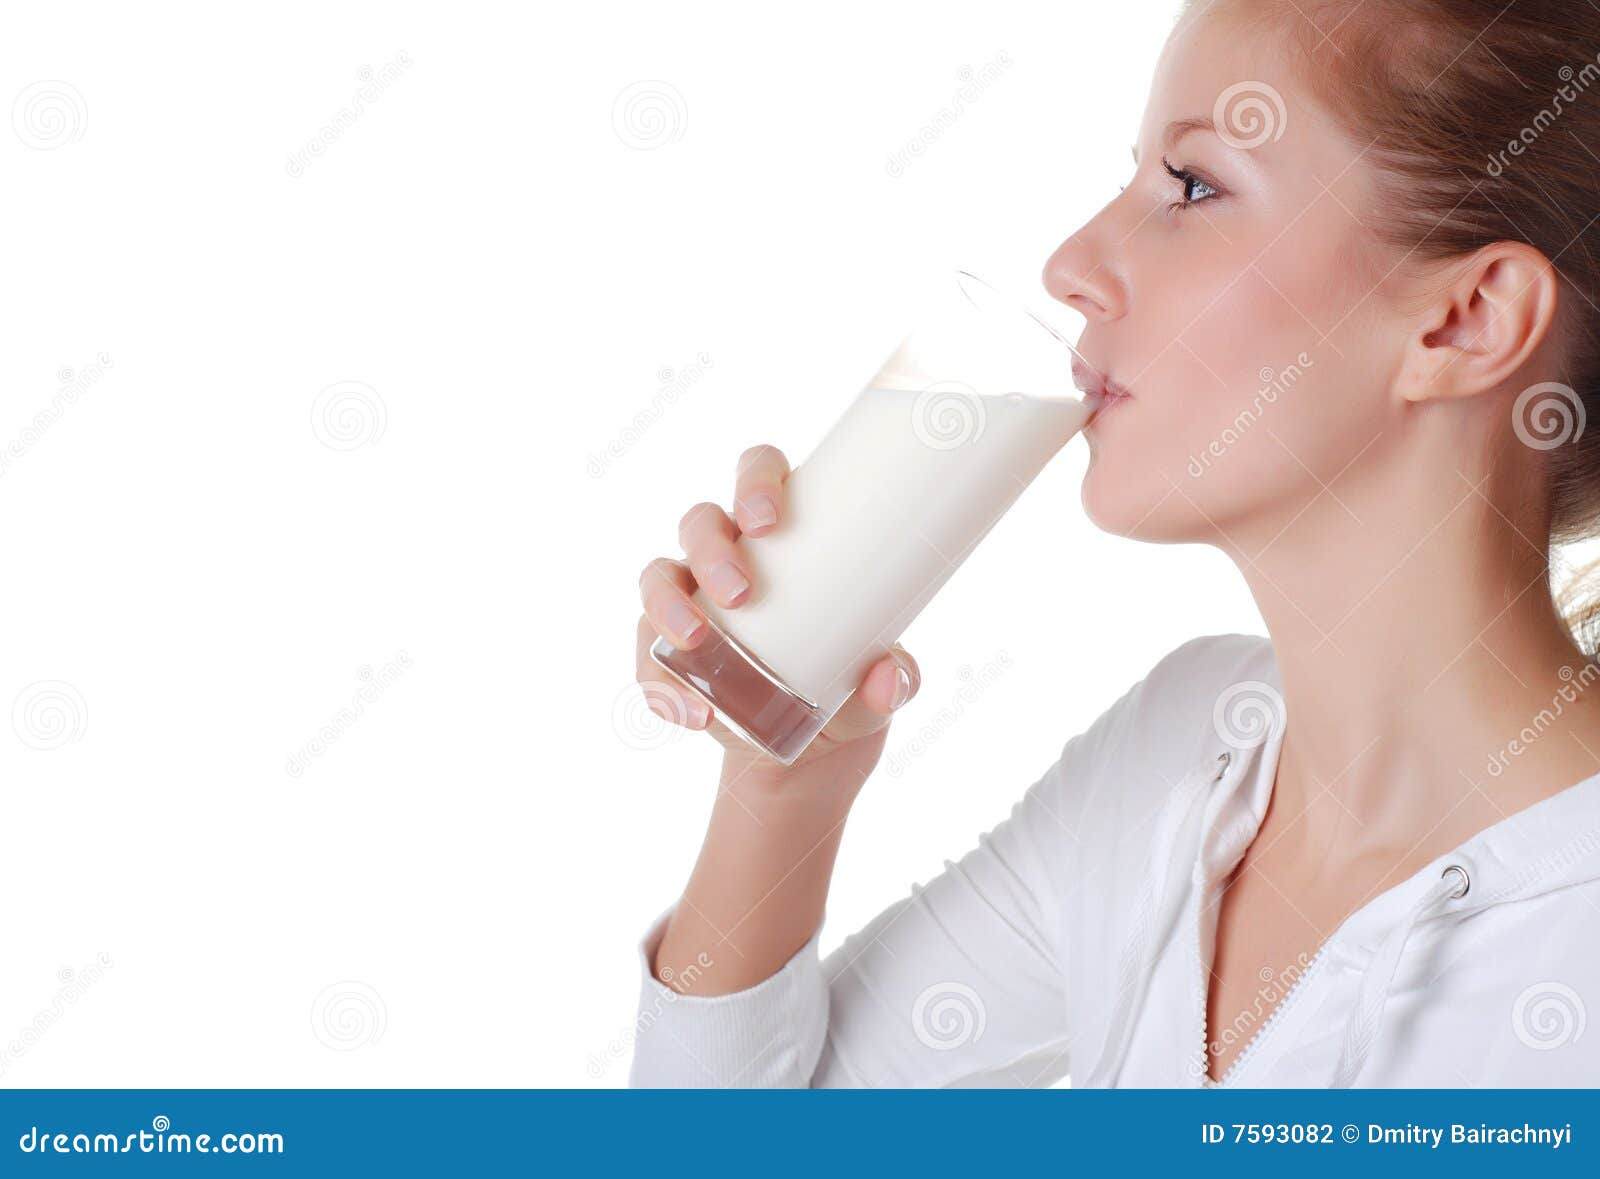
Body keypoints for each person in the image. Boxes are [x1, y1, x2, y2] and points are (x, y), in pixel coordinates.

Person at [627, 0, 1600, 1086]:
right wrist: (784, 781)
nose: (1069, 263)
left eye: (1194, 186)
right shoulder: (1178, 756)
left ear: (1468, 319)